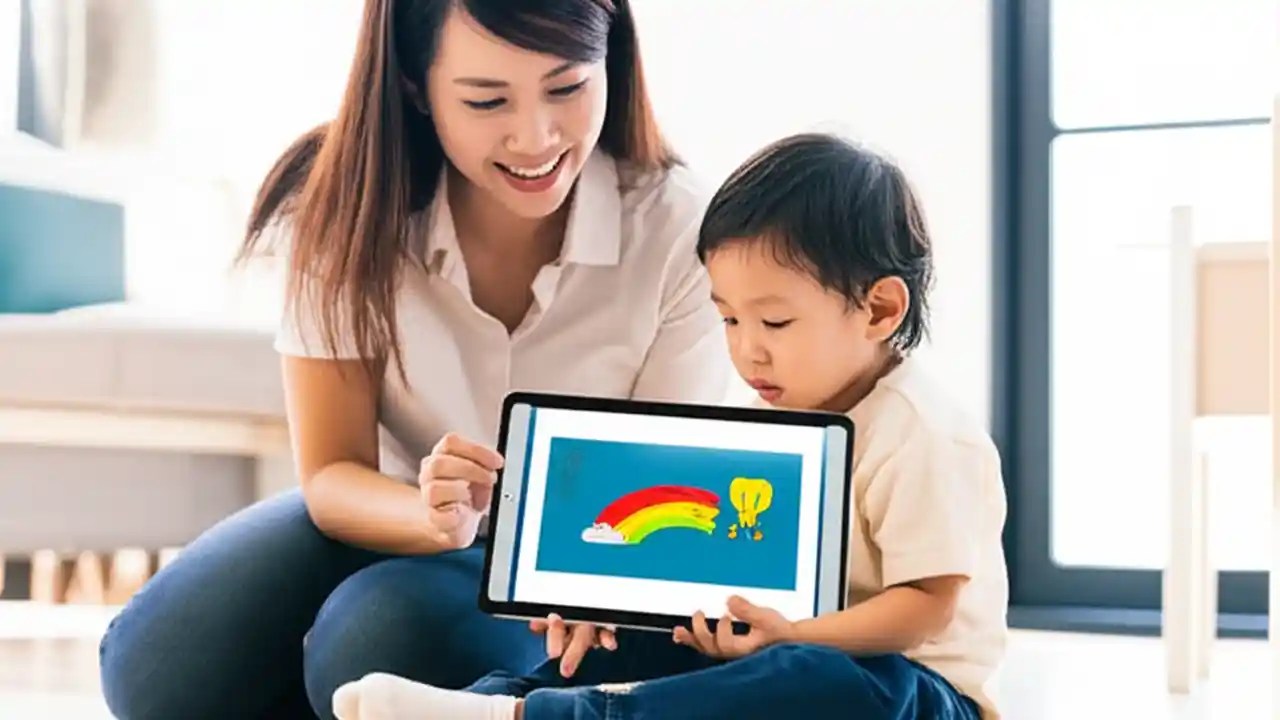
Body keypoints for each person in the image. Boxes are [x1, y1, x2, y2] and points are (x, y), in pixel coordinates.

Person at [97, 1, 730, 718]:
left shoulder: (679, 227)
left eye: (568, 88)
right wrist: (429, 516)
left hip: (571, 564)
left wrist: (590, 584)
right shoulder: (341, 206)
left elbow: (669, 484)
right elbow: (332, 474)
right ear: (412, 84)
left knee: (378, 639)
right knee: (157, 666)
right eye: (486, 99)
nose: (536, 136)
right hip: (389, 511)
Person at [329, 133, 1010, 720]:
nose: (747, 350)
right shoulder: (779, 413)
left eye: (774, 322)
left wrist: (795, 635)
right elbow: (710, 558)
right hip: (784, 646)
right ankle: (506, 701)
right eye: (730, 319)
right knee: (651, 638)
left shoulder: (921, 433)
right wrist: (609, 603)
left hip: (916, 690)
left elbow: (928, 608)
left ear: (880, 310)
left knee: (820, 678)